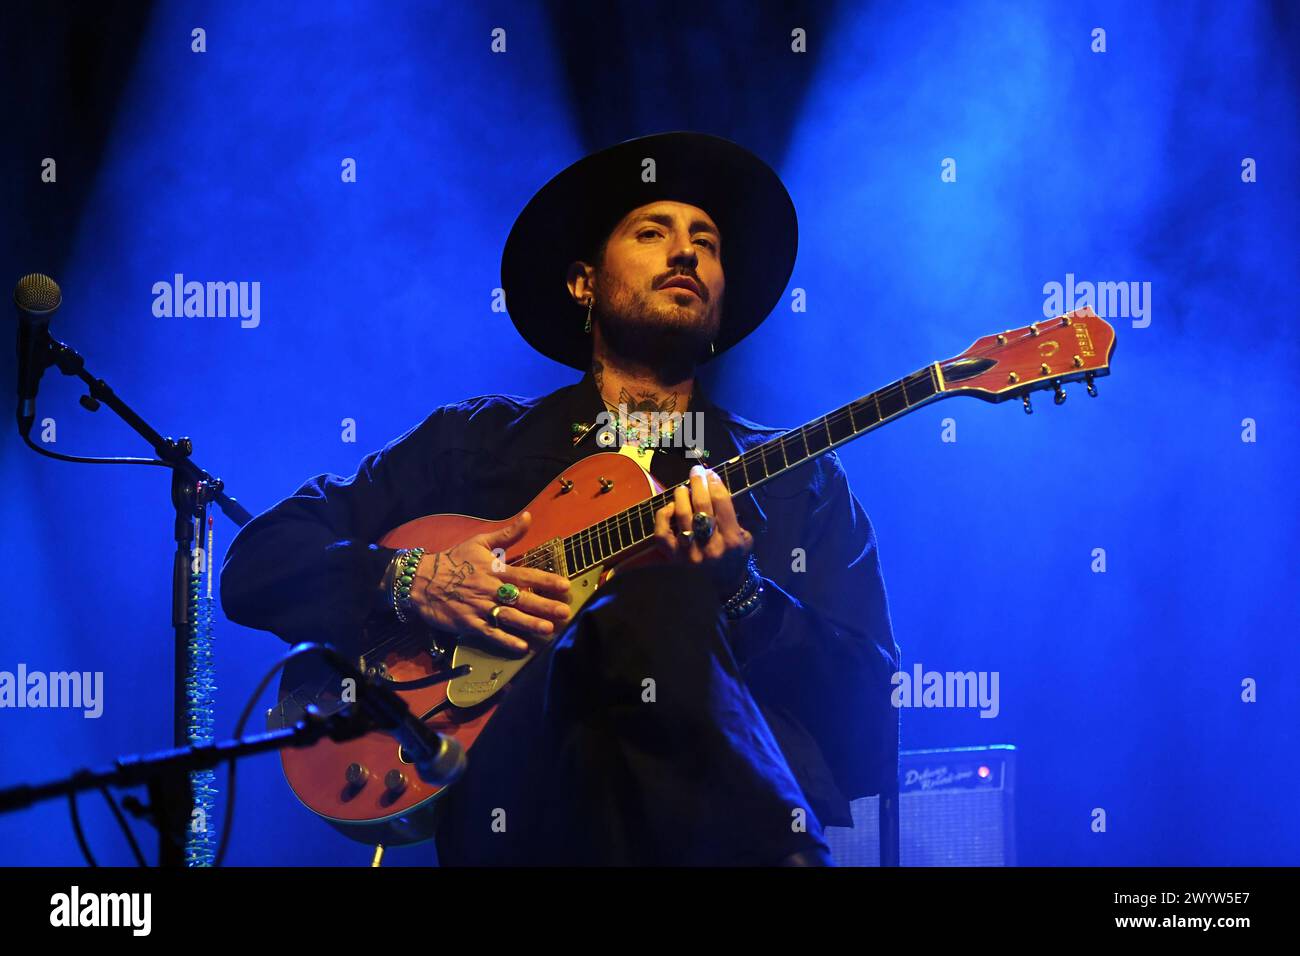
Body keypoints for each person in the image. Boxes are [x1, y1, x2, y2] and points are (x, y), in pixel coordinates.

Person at [220, 131, 900, 866]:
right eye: (652, 233)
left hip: (710, 833)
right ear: (583, 283)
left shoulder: (799, 479)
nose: (686, 254)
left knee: (655, 602)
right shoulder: (474, 443)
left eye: (706, 242)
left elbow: (869, 726)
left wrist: (742, 597)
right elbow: (259, 561)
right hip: (526, 811)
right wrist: (414, 579)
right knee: (647, 605)